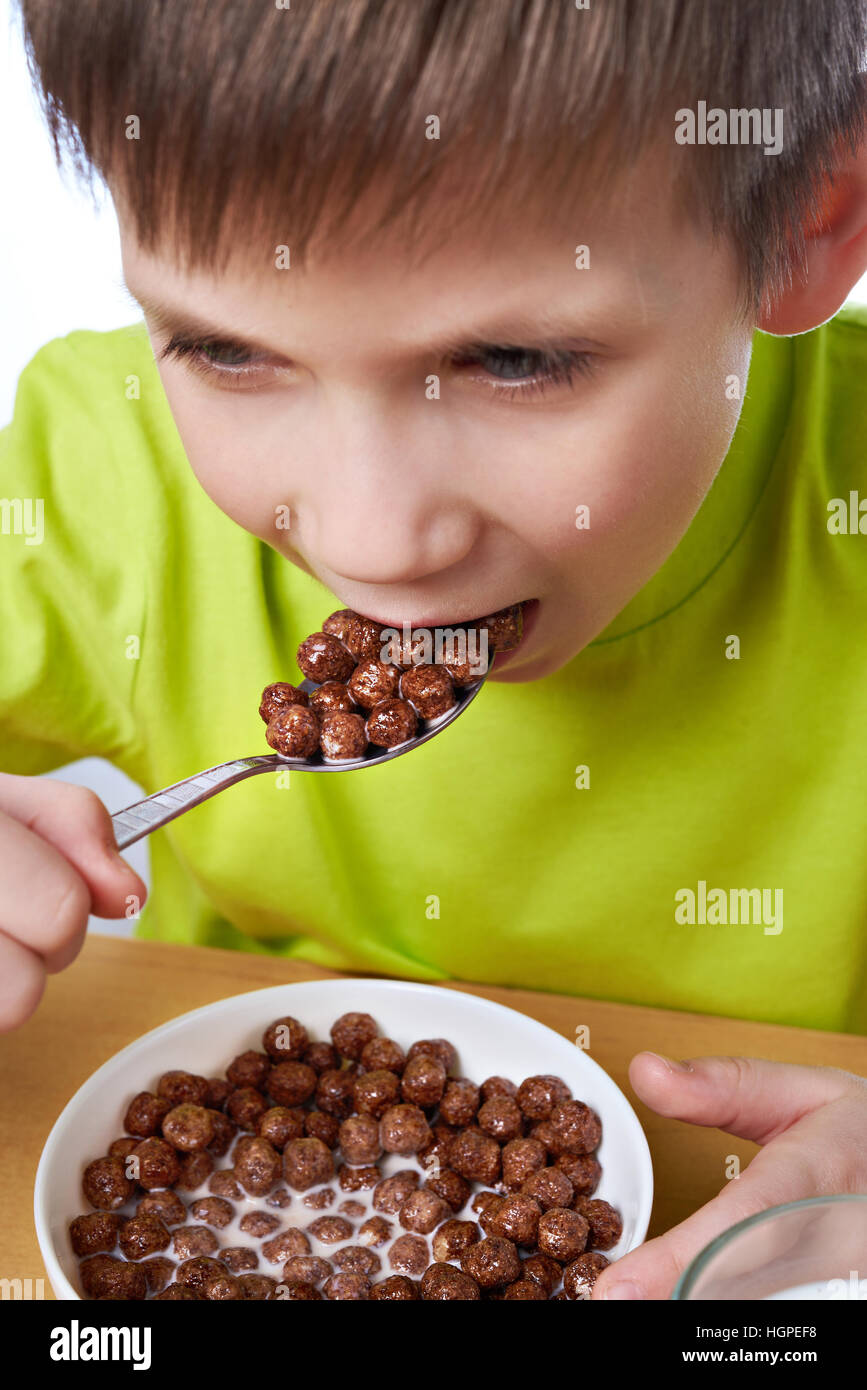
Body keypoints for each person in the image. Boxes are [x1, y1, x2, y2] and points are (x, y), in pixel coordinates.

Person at [2, 0, 866, 1298]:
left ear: (808, 217)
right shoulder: (96, 482)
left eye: (512, 360)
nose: (374, 537)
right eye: (226, 348)